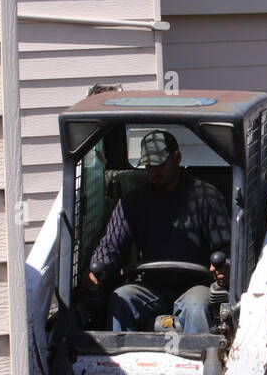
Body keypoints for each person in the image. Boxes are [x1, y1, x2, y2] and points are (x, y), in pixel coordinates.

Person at [89, 130, 231, 334]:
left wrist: (224, 266)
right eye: (149, 166)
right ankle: (114, 363)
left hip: (194, 286)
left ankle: (203, 360)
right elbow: (112, 246)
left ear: (177, 157)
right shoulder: (132, 202)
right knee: (121, 298)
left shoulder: (206, 198)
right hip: (149, 287)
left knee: (197, 305)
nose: (154, 171)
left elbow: (225, 248)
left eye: (160, 164)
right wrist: (97, 269)